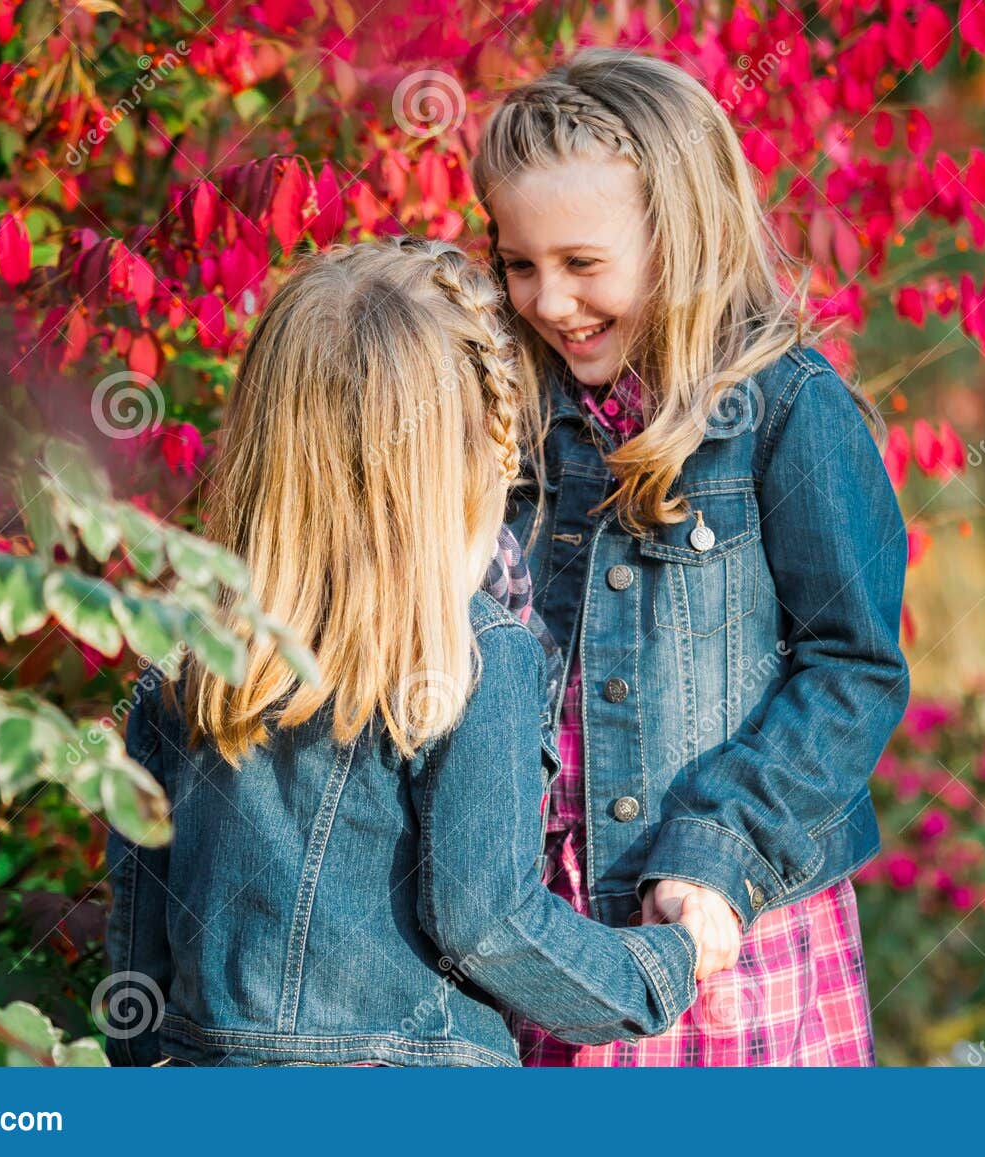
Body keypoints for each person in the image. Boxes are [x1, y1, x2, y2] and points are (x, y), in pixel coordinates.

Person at [104, 237, 717, 1067]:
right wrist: (661, 967)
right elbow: (489, 922)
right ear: (472, 464)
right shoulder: (472, 658)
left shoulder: (186, 664)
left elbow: (136, 954)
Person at [471, 48, 911, 1066]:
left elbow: (851, 665)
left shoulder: (787, 411)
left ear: (685, 239)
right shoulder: (505, 417)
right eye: (518, 262)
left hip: (719, 932)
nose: (545, 299)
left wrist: (722, 854)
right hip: (543, 931)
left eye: (583, 265)